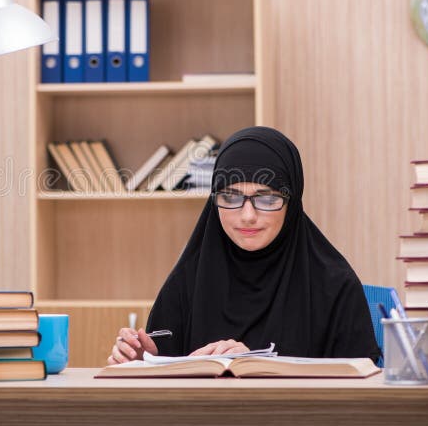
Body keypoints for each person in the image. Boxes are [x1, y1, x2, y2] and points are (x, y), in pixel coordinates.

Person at [108, 126, 380, 364]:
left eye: (266, 198)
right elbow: (161, 394)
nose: (248, 215)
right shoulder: (187, 281)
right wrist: (143, 361)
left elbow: (358, 392)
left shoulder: (333, 285)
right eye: (231, 196)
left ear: (292, 201)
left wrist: (257, 367)